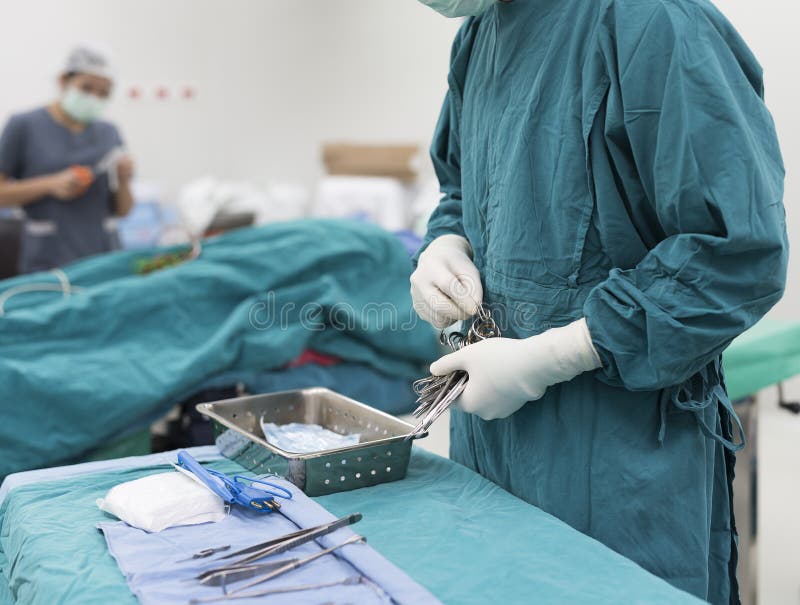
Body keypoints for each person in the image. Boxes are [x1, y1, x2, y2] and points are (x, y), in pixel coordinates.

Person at [411, 1, 788, 603]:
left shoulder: (651, 20)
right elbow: (460, 186)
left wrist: (555, 354)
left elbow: (736, 254)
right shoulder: (482, 31)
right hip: (492, 454)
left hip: (618, 470)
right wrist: (445, 243)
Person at [0, 44, 134, 274]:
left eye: (103, 93)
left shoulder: (109, 132)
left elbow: (123, 210)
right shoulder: (23, 125)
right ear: (63, 80)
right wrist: (50, 184)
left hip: (104, 254)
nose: (94, 97)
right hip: (48, 258)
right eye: (87, 88)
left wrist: (123, 180)